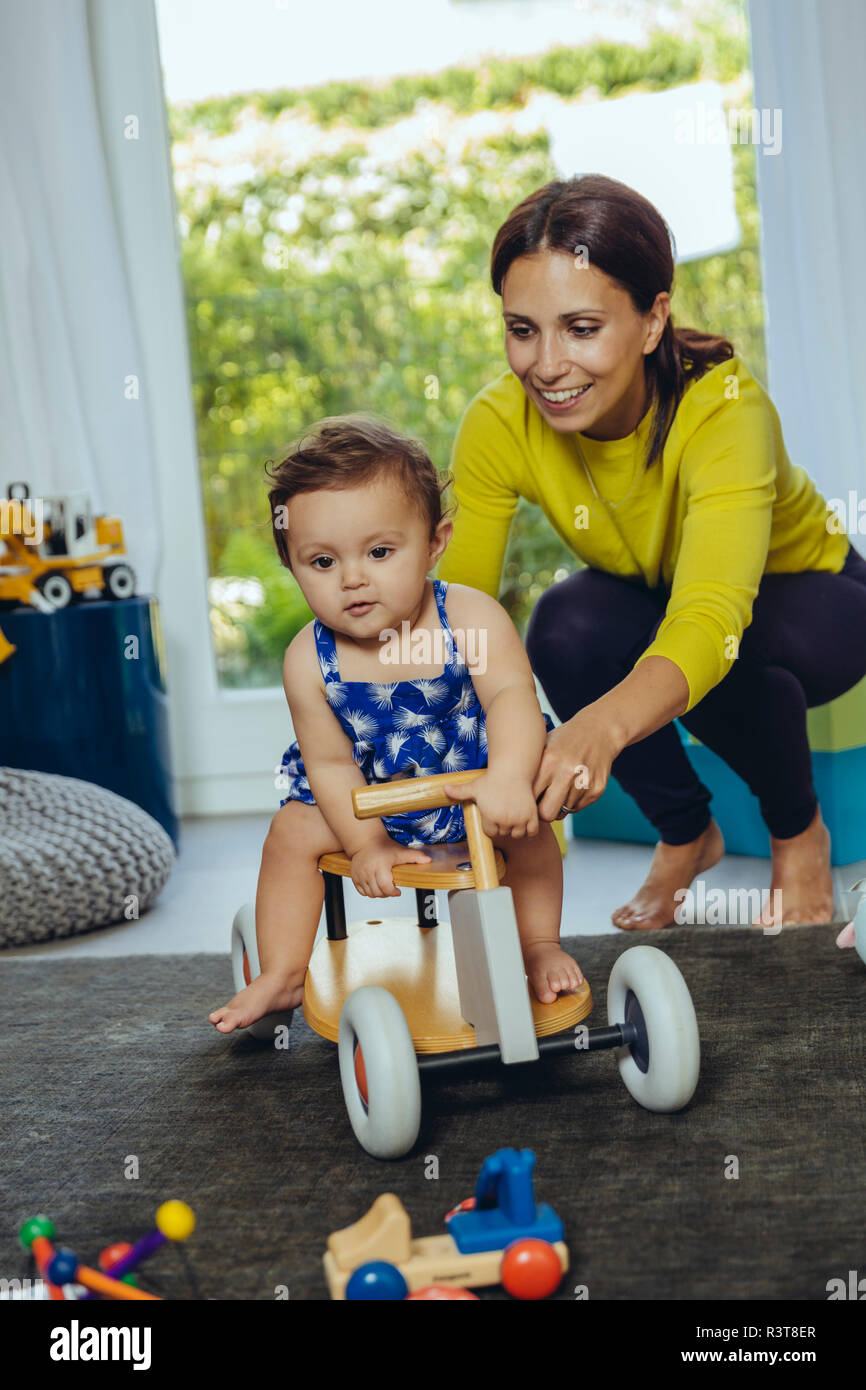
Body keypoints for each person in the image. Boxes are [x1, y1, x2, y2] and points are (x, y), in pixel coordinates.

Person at [437, 174, 866, 930]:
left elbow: (709, 615)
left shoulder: (727, 411)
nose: (546, 365)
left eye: (581, 327)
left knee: (726, 648)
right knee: (562, 625)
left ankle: (798, 833)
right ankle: (686, 834)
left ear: (651, 318)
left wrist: (595, 730)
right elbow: (458, 611)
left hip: (815, 600)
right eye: (523, 329)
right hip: (662, 593)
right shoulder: (498, 424)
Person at [210, 415, 582, 1035]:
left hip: (476, 781)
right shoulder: (308, 659)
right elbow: (329, 764)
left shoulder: (469, 618)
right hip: (370, 797)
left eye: (380, 552)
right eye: (322, 561)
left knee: (530, 825)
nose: (353, 577)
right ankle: (280, 974)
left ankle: (538, 942)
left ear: (434, 543)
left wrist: (509, 779)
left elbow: (513, 699)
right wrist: (368, 843)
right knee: (291, 831)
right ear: (291, 564)